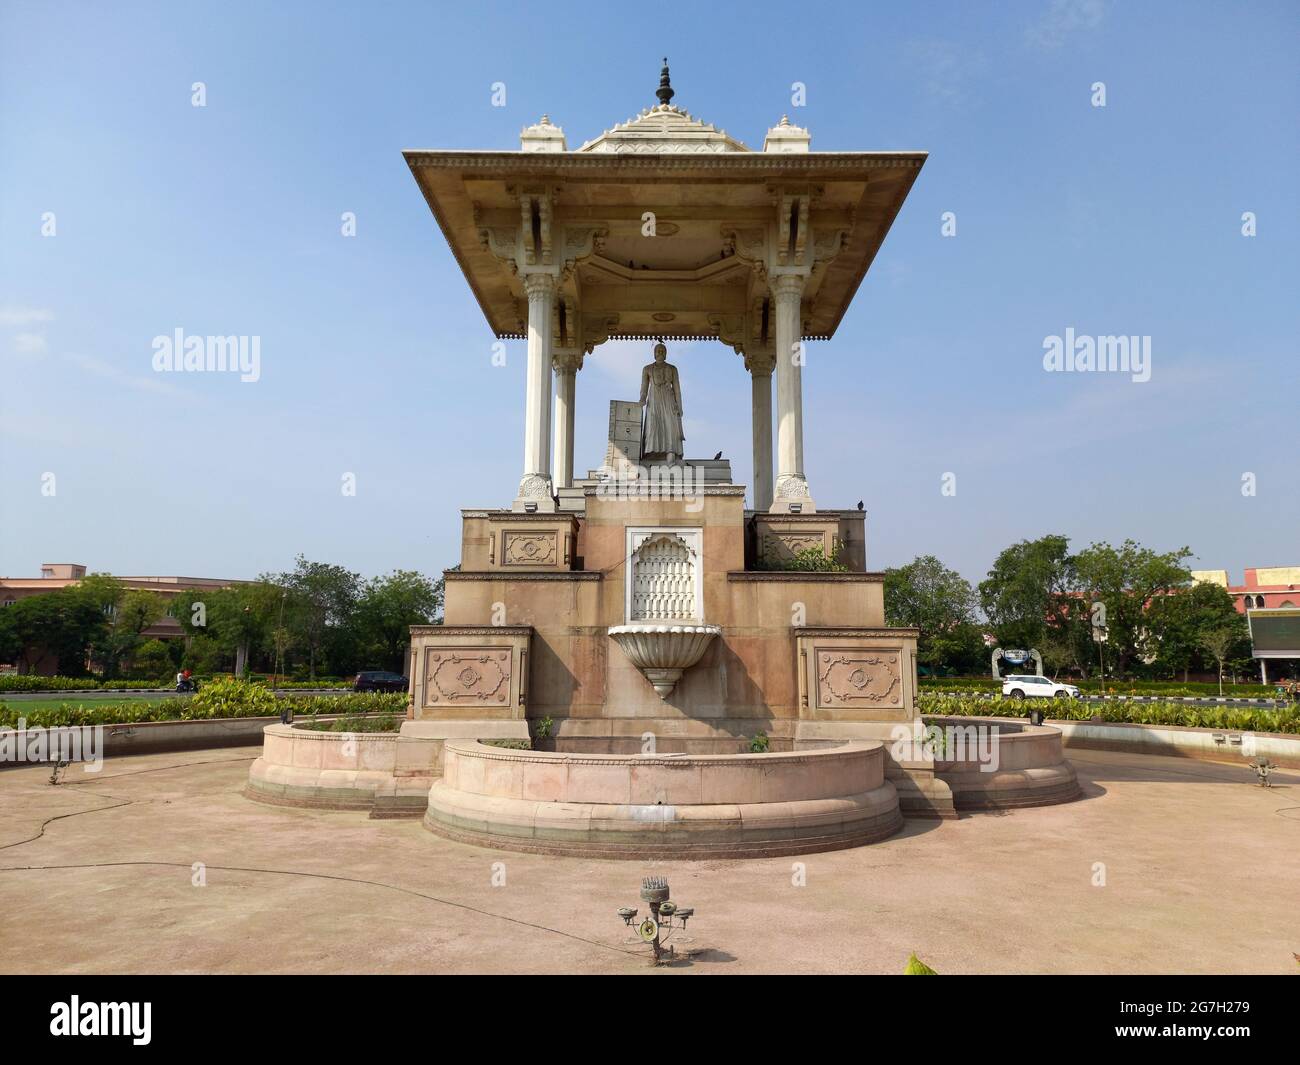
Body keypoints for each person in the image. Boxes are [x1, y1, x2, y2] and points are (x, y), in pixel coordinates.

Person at [639, 341, 685, 463]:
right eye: (658, 351)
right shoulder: (647, 369)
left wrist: (679, 407)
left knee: (670, 425)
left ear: (666, 354)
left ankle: (671, 451)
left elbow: (677, 389)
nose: (660, 352)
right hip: (654, 400)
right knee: (653, 425)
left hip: (668, 400)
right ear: (654, 354)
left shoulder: (672, 369)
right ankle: (651, 452)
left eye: (662, 351)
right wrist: (642, 399)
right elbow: (643, 388)